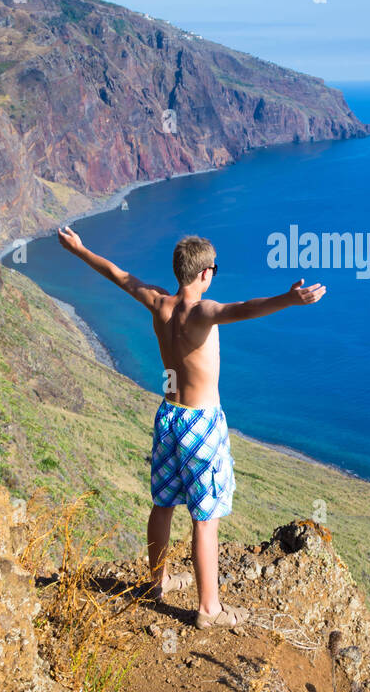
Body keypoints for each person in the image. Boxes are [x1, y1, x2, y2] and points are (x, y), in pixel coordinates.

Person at [56, 226, 326, 628]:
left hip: (169, 416)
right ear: (204, 274)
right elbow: (245, 308)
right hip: (201, 424)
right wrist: (289, 298)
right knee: (205, 518)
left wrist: (79, 250)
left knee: (163, 504)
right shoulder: (202, 312)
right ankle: (208, 610)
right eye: (214, 269)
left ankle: (157, 582)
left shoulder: (158, 304)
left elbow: (117, 274)